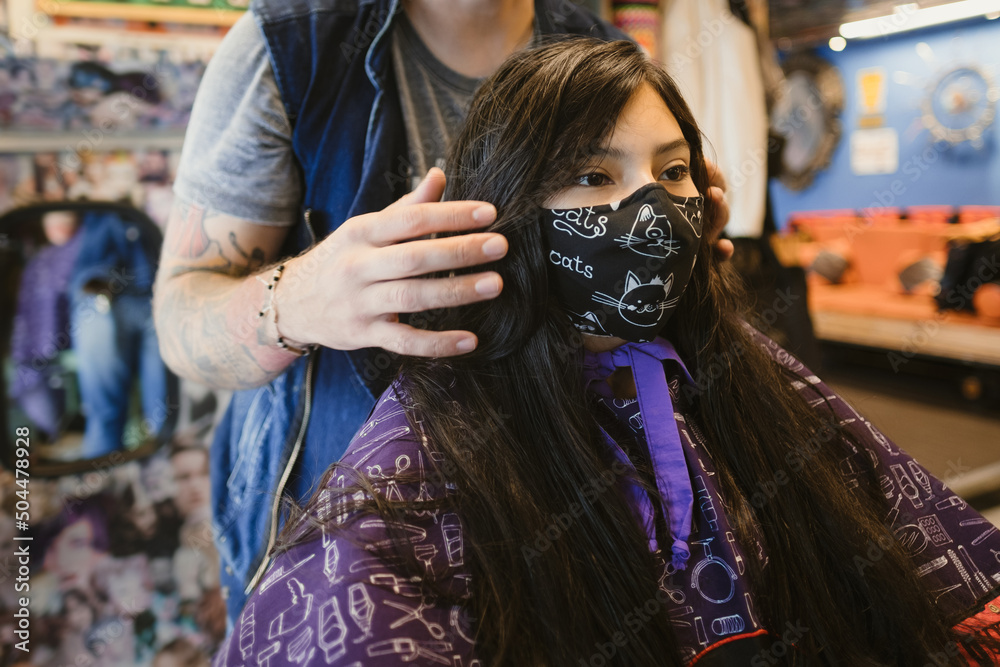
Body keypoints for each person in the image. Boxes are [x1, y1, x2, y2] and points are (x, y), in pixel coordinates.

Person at [213, 38, 1000, 666]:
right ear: (508, 207)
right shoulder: (430, 447)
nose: (653, 212)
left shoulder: (738, 376)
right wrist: (292, 301)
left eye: (674, 171)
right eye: (593, 174)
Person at [152, 0, 733, 624]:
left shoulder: (602, 48)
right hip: (343, 547)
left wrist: (666, 271)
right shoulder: (294, 50)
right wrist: (295, 300)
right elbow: (180, 322)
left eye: (671, 170)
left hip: (568, 531)